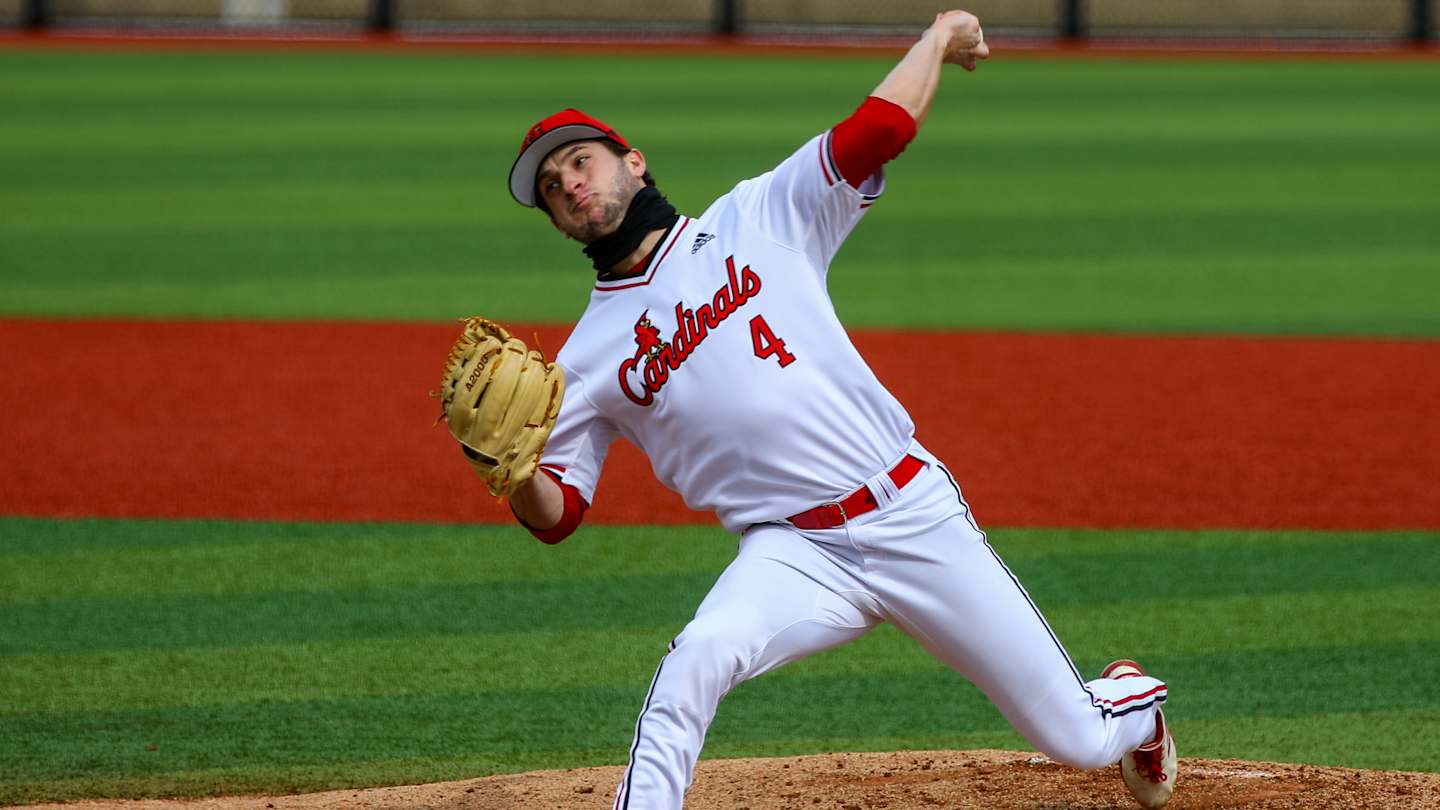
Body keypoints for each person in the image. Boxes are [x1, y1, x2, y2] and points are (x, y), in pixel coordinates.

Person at [500, 10, 1177, 810]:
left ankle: (1135, 702)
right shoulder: (581, 359)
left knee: (1077, 737)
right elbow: (558, 513)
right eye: (551, 186)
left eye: (581, 161)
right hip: (793, 553)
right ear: (553, 218)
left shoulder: (757, 215)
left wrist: (937, 38)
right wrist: (510, 473)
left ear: (633, 164)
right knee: (697, 657)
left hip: (910, 515)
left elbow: (876, 131)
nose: (570, 183)